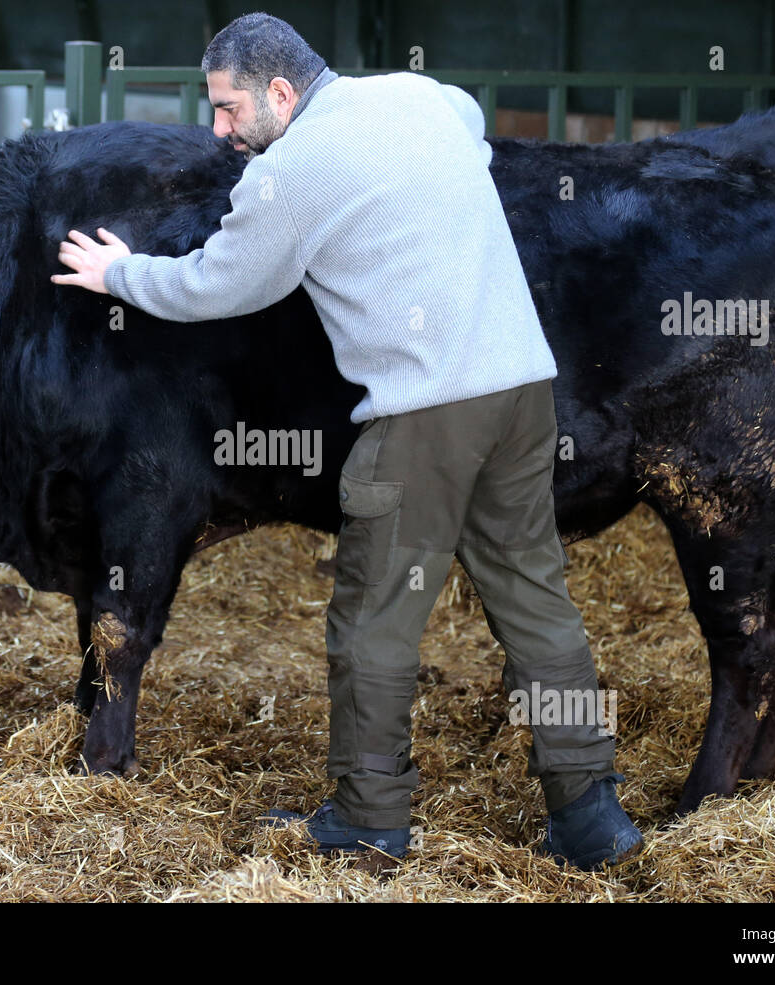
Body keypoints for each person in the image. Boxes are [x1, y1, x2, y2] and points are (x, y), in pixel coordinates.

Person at [52, 12, 642, 870]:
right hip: (521, 392)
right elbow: (471, 118)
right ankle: (592, 816)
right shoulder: (415, 98)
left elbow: (220, 285)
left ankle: (369, 821)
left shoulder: (287, 175)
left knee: (373, 623)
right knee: (537, 603)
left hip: (424, 414)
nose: (218, 131)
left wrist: (119, 275)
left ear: (281, 94)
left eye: (228, 109)